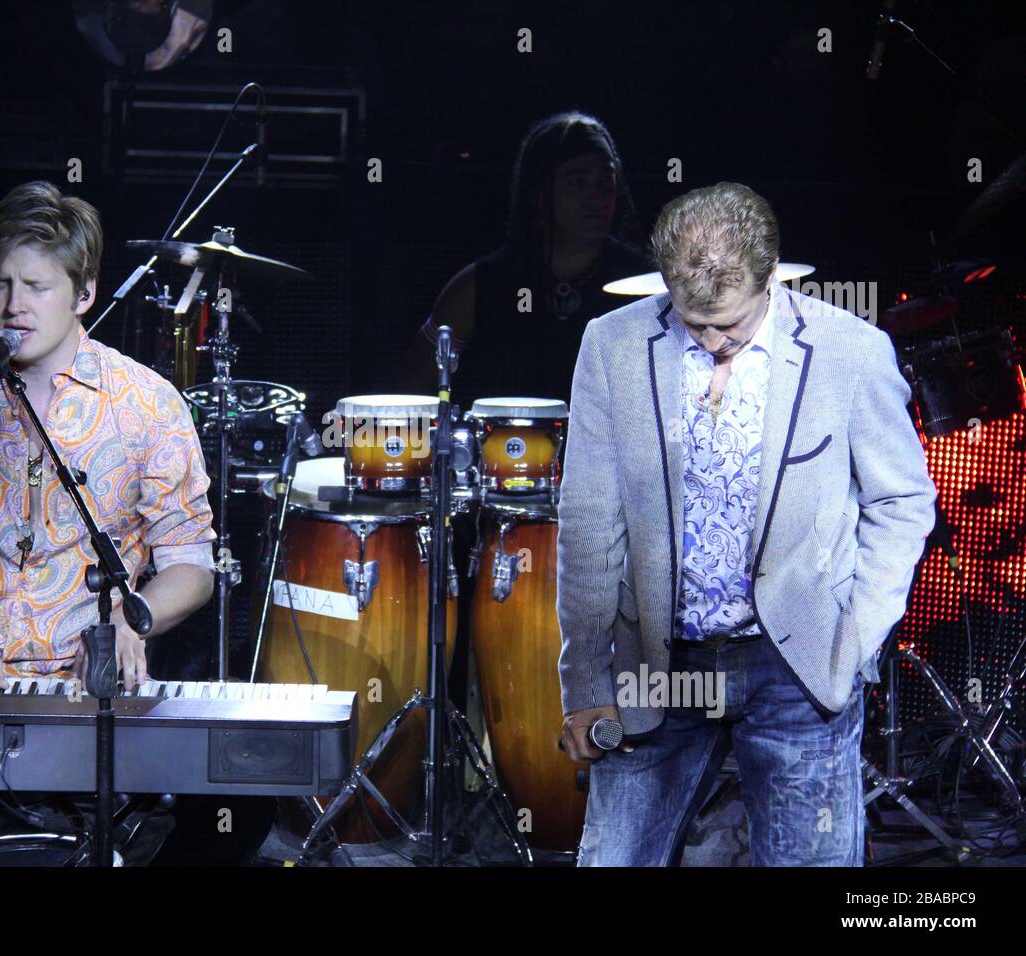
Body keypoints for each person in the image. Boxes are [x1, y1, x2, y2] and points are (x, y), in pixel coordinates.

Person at [556, 182, 936, 866]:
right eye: (692, 321)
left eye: (728, 324)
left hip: (796, 665)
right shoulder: (610, 345)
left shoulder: (850, 351)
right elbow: (587, 519)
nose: (709, 340)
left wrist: (853, 642)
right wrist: (584, 683)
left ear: (773, 275)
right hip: (658, 667)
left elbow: (901, 503)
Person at [0, 181, 215, 693]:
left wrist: (130, 624)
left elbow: (190, 563)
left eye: (37, 287)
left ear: (84, 293)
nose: (14, 305)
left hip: (91, 686)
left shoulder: (149, 403)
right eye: (0, 284)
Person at [399, 111, 649, 404]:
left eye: (606, 181)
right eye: (578, 182)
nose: (598, 196)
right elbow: (411, 389)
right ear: (539, 192)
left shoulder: (645, 282)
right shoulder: (481, 286)